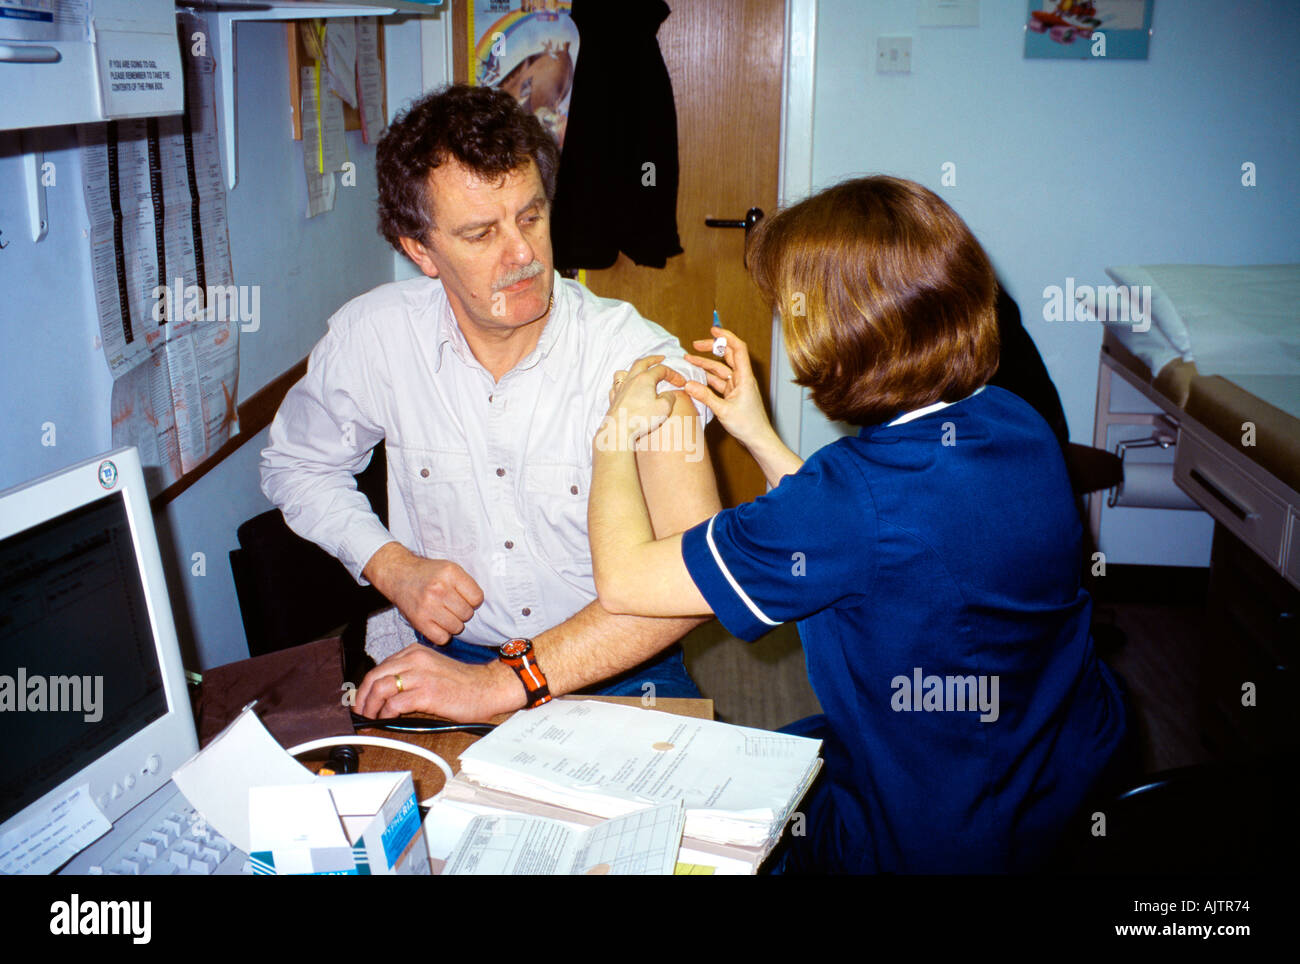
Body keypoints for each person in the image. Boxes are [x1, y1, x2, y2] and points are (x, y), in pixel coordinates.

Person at [588, 175, 1128, 873]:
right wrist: (756, 433)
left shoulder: (847, 502)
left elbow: (625, 580)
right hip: (1064, 772)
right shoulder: (1009, 417)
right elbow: (860, 537)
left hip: (937, 834)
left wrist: (614, 433)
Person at [260, 84, 720, 723]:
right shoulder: (374, 339)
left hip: (616, 667)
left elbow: (695, 579)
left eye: (531, 217)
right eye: (480, 234)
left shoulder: (642, 365)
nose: (524, 255)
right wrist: (391, 565)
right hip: (451, 664)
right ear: (419, 250)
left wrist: (507, 684)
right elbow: (297, 465)